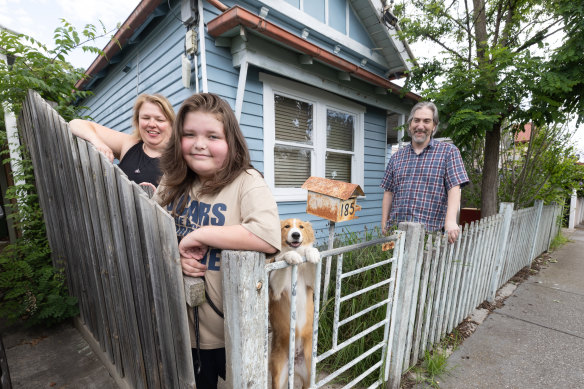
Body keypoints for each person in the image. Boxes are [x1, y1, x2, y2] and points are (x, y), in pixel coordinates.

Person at [155, 93, 280, 388]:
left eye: (212, 135)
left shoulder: (247, 181)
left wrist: (198, 235)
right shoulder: (171, 182)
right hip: (180, 326)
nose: (199, 144)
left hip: (231, 331)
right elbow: (151, 230)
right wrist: (175, 252)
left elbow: (267, 235)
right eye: (189, 134)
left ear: (230, 142)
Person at [380, 101, 469, 243]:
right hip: (396, 234)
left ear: (434, 126)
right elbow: (388, 192)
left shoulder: (449, 152)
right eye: (416, 120)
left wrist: (451, 221)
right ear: (410, 125)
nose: (420, 126)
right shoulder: (396, 157)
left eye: (426, 121)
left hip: (431, 236)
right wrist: (384, 224)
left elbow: (454, 188)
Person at [69, 93, 175, 188]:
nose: (151, 124)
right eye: (146, 118)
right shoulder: (129, 144)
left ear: (171, 123)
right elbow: (75, 123)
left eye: (159, 119)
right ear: (138, 121)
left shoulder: (180, 158)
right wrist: (98, 142)